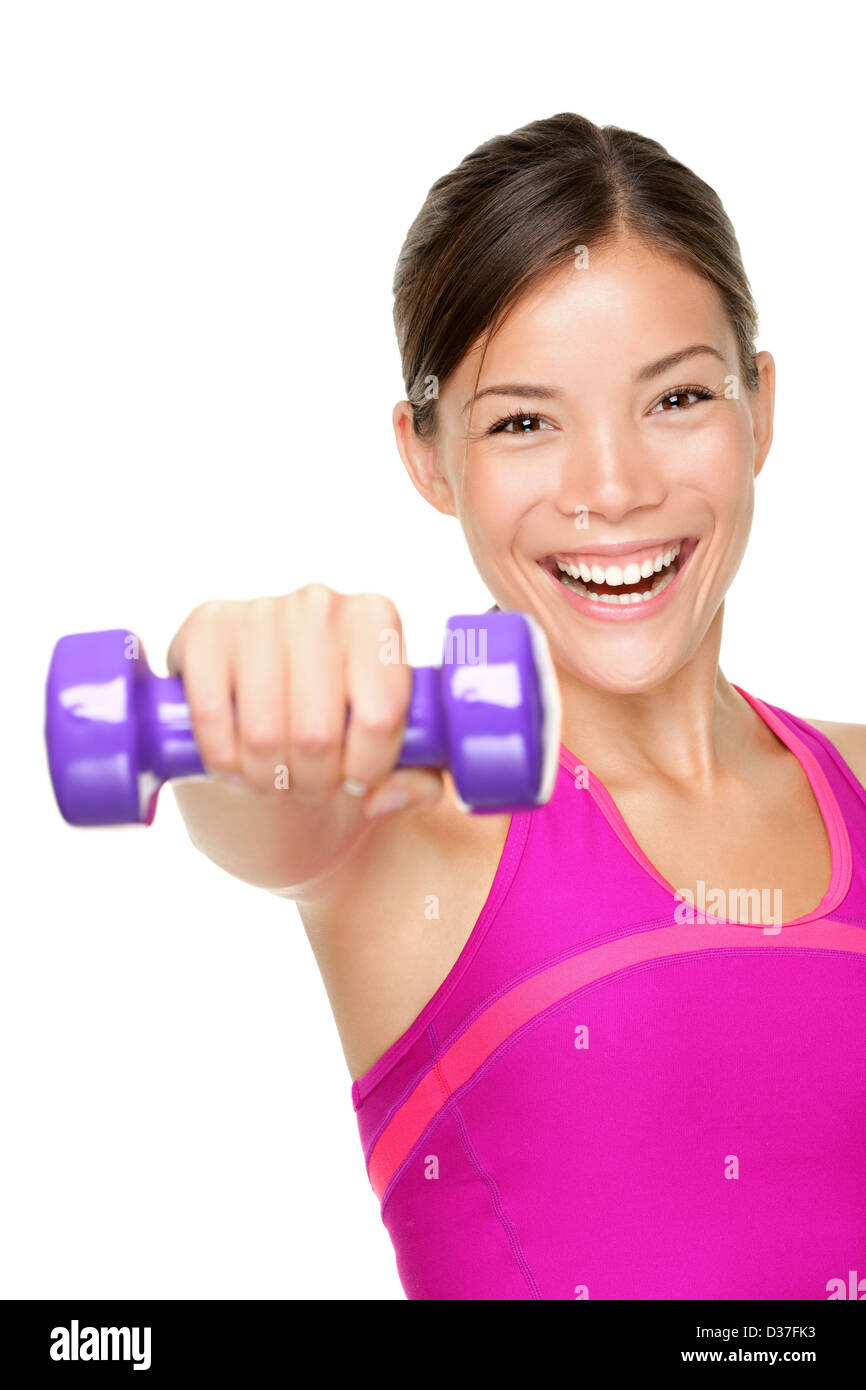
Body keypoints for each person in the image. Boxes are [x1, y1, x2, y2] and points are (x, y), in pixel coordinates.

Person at [166, 112, 866, 1300]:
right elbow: (256, 805)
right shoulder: (393, 837)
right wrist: (229, 690)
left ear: (758, 406)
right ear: (428, 455)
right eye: (523, 422)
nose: (613, 487)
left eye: (677, 399)